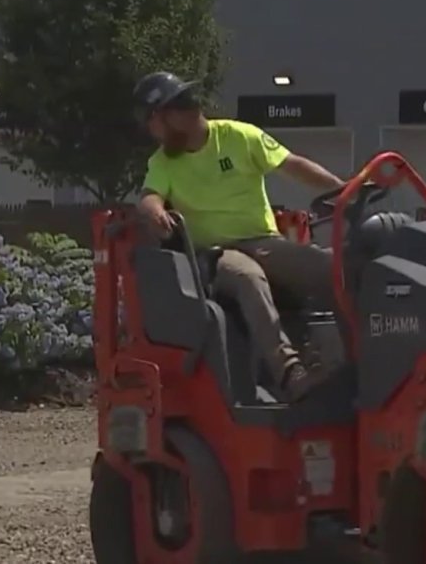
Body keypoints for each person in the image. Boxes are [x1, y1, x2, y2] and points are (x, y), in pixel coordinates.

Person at [132, 71, 347, 401]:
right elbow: (150, 197)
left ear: (173, 115)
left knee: (330, 269)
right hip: (215, 254)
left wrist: (344, 191)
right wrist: (153, 212)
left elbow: (293, 165)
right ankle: (291, 374)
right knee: (248, 277)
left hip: (263, 242)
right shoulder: (163, 162)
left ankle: (355, 361)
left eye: (152, 121)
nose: (152, 131)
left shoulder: (239, 137)